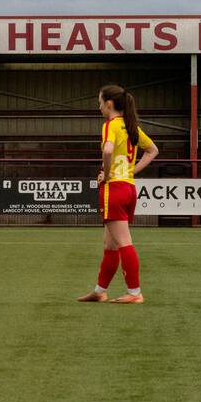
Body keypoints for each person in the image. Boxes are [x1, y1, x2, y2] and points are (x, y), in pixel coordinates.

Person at [77, 84, 159, 303]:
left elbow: (107, 150)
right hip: (129, 188)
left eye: (100, 103)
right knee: (110, 244)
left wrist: (108, 172)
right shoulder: (131, 126)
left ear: (109, 104)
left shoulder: (111, 125)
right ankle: (100, 290)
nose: (99, 107)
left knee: (124, 242)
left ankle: (134, 293)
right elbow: (153, 150)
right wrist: (132, 170)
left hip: (114, 189)